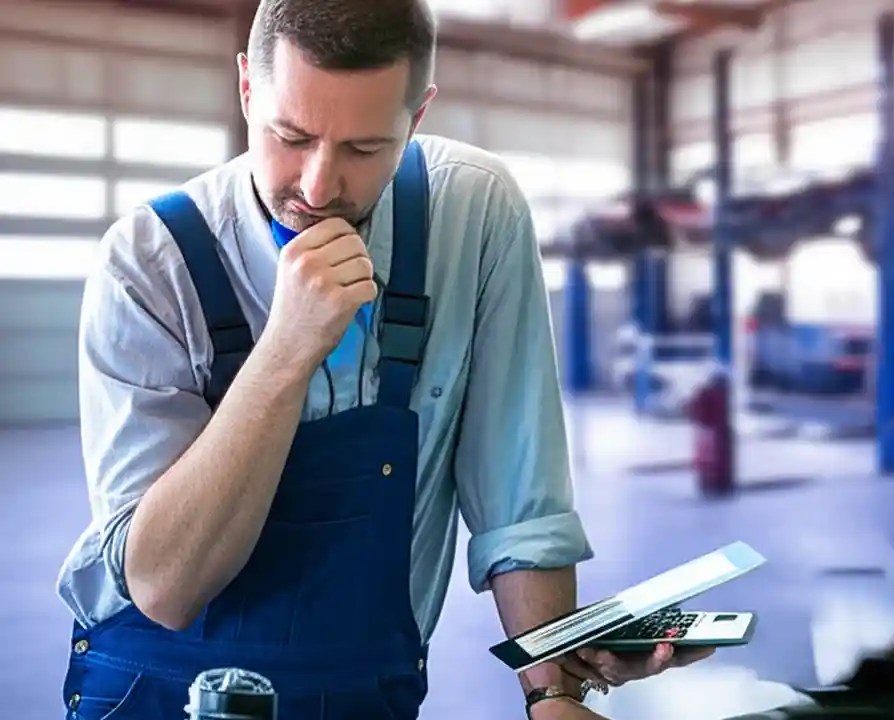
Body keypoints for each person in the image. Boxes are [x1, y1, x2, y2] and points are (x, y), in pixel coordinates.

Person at [55, 1, 711, 718]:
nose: (316, 187)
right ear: (247, 87)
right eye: (290, 136)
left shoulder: (474, 214)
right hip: (158, 691)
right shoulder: (148, 263)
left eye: (365, 148)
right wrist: (285, 352)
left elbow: (520, 500)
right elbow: (164, 587)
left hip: (366, 694)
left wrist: (553, 688)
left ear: (417, 117)